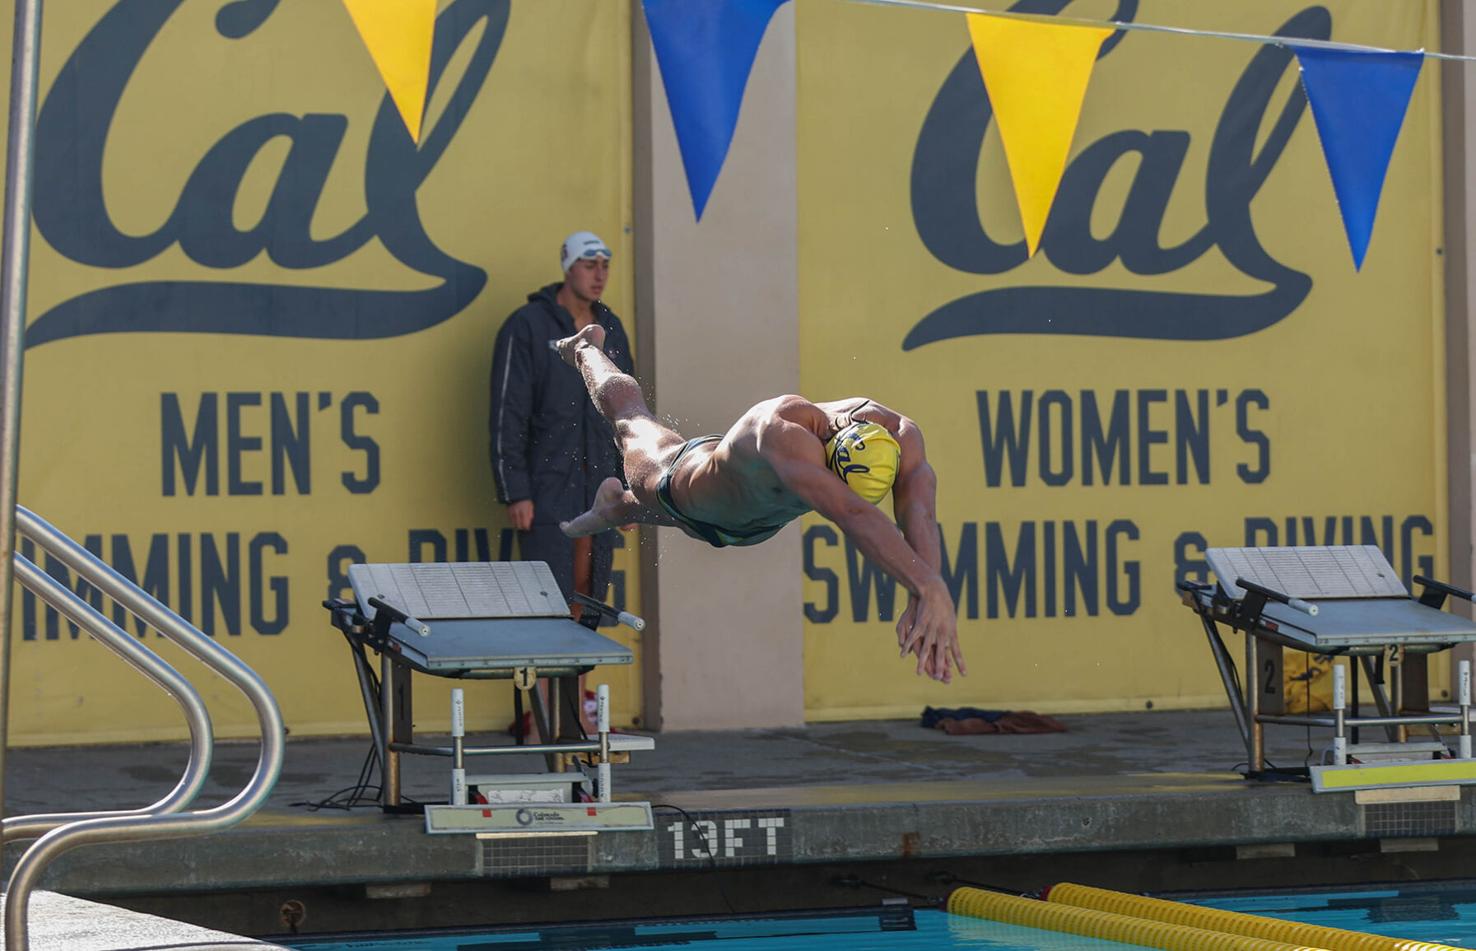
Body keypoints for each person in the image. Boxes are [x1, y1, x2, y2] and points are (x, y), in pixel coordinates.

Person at [553, 324, 965, 684]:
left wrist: (925, 594)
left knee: (679, 515)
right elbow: (854, 515)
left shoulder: (902, 436)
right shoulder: (782, 429)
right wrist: (928, 585)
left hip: (746, 521)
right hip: (679, 485)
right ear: (832, 455)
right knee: (631, 417)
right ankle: (585, 348)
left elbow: (919, 512)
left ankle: (613, 507)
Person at [489, 231, 635, 733]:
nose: (599, 273)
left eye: (605, 264)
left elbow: (627, 412)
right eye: (589, 263)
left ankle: (574, 701)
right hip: (547, 485)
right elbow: (508, 412)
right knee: (546, 596)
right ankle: (542, 709)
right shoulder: (526, 327)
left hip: (599, 483)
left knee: (585, 591)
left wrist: (631, 487)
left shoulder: (610, 328)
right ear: (568, 268)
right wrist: (516, 490)